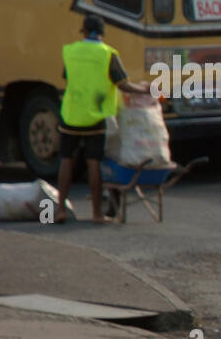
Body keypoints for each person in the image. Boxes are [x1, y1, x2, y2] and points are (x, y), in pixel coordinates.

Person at [55, 15, 151, 224]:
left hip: (71, 113)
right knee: (93, 163)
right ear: (102, 33)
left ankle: (60, 210)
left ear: (83, 31)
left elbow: (68, 77)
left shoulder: (70, 51)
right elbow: (123, 84)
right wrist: (144, 89)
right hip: (95, 116)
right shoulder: (108, 54)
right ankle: (97, 214)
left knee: (66, 160)